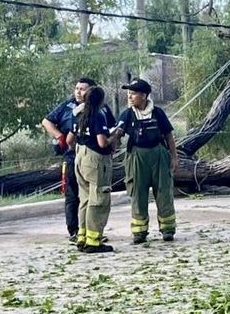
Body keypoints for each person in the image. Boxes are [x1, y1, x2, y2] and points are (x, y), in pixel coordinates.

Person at [42, 77, 116, 244]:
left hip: (81, 154)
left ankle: (85, 233)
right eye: (76, 88)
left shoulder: (100, 110)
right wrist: (59, 136)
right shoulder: (70, 107)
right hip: (81, 157)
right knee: (81, 196)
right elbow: (47, 121)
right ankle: (80, 233)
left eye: (83, 89)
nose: (78, 92)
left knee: (86, 197)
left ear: (90, 92)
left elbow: (111, 126)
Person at [110, 78, 178, 244]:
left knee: (164, 192)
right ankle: (140, 232)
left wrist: (174, 157)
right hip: (137, 156)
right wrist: (111, 143)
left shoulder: (157, 113)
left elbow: (169, 135)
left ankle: (167, 229)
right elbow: (118, 133)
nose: (130, 97)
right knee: (137, 192)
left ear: (144, 95)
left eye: (133, 94)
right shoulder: (127, 114)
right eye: (129, 94)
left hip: (159, 154)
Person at [66, 85, 114, 253]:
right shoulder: (98, 115)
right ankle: (94, 241)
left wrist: (78, 151)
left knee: (85, 198)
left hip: (80, 155)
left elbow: (69, 140)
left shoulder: (77, 114)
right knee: (99, 198)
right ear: (101, 100)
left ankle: (82, 237)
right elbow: (102, 142)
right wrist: (114, 136)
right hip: (95, 158)